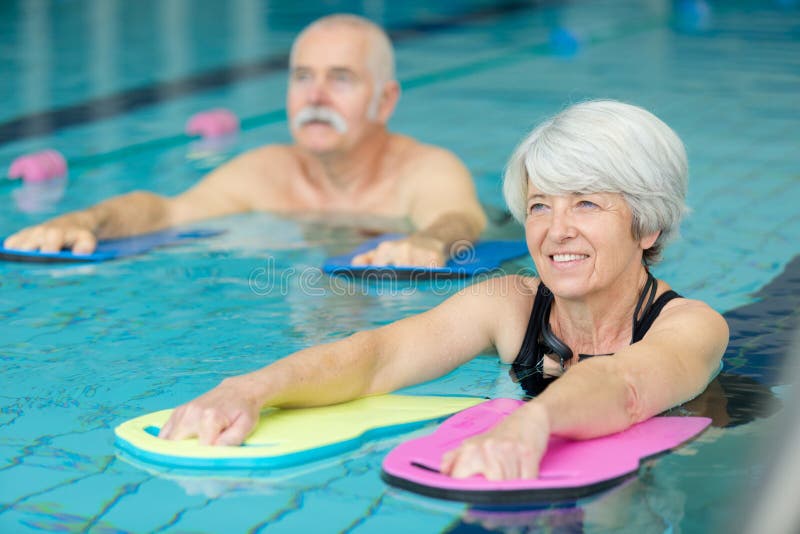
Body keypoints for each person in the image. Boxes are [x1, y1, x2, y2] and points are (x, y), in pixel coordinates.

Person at [158, 100, 729, 480]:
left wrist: (529, 422)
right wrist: (250, 389)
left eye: (586, 202)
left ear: (648, 224)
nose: (556, 230)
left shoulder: (691, 326)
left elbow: (624, 386)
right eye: (538, 206)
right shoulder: (511, 305)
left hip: (672, 476)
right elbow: (378, 357)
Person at [3, 14, 486, 268]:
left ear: (385, 101)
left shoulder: (426, 170)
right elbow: (166, 212)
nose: (315, 96)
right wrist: (86, 219)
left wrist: (427, 241)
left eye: (340, 79)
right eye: (302, 77)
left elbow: (459, 219)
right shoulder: (266, 172)